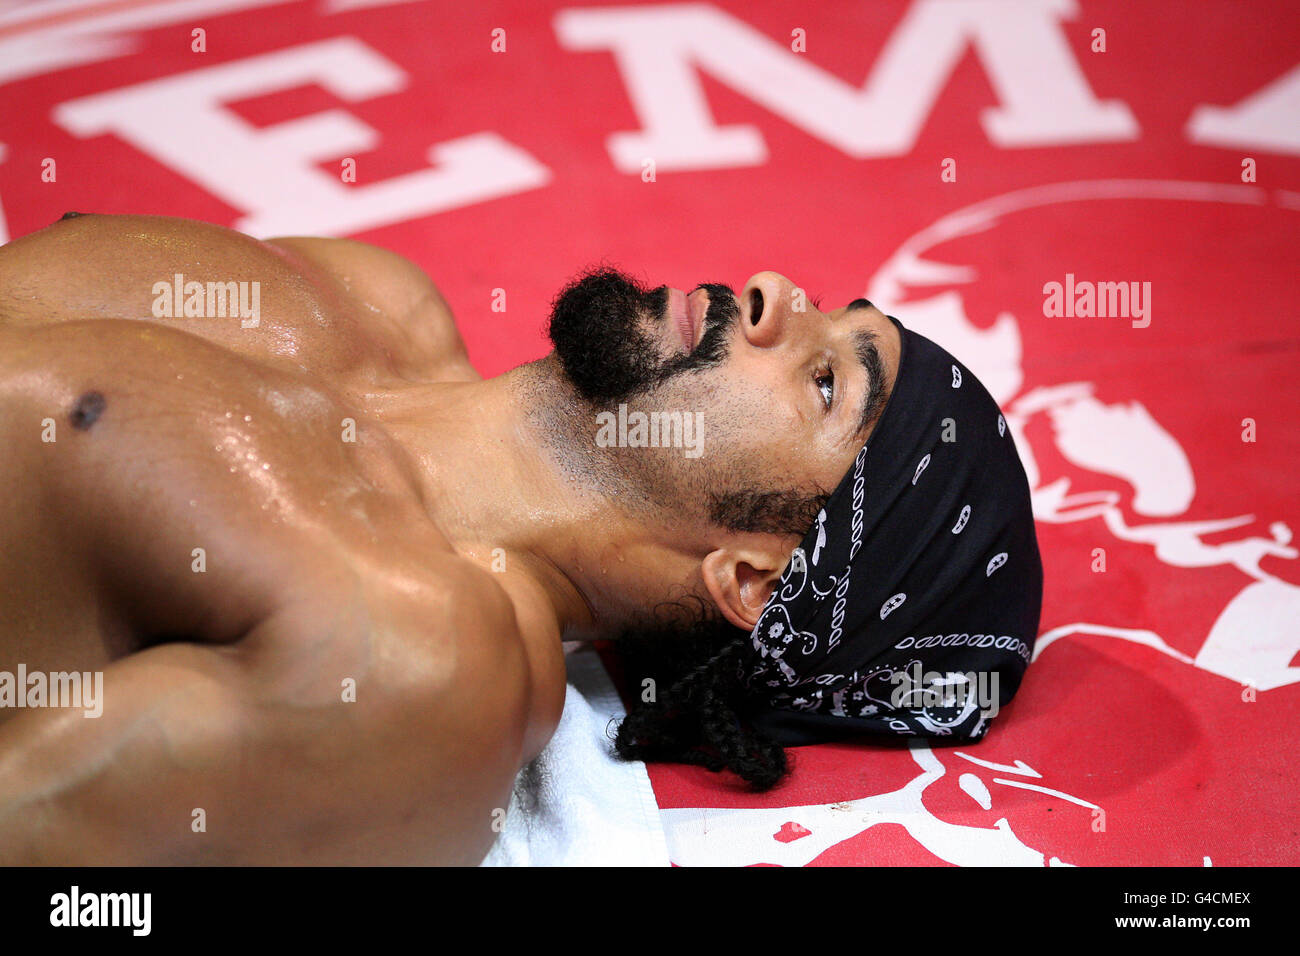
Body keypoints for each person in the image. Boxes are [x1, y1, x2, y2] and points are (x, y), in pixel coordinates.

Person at [0, 212, 1040, 864]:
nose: (768, 291)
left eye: (826, 383)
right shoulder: (372, 296)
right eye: (821, 312)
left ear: (757, 579)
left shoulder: (430, 665)